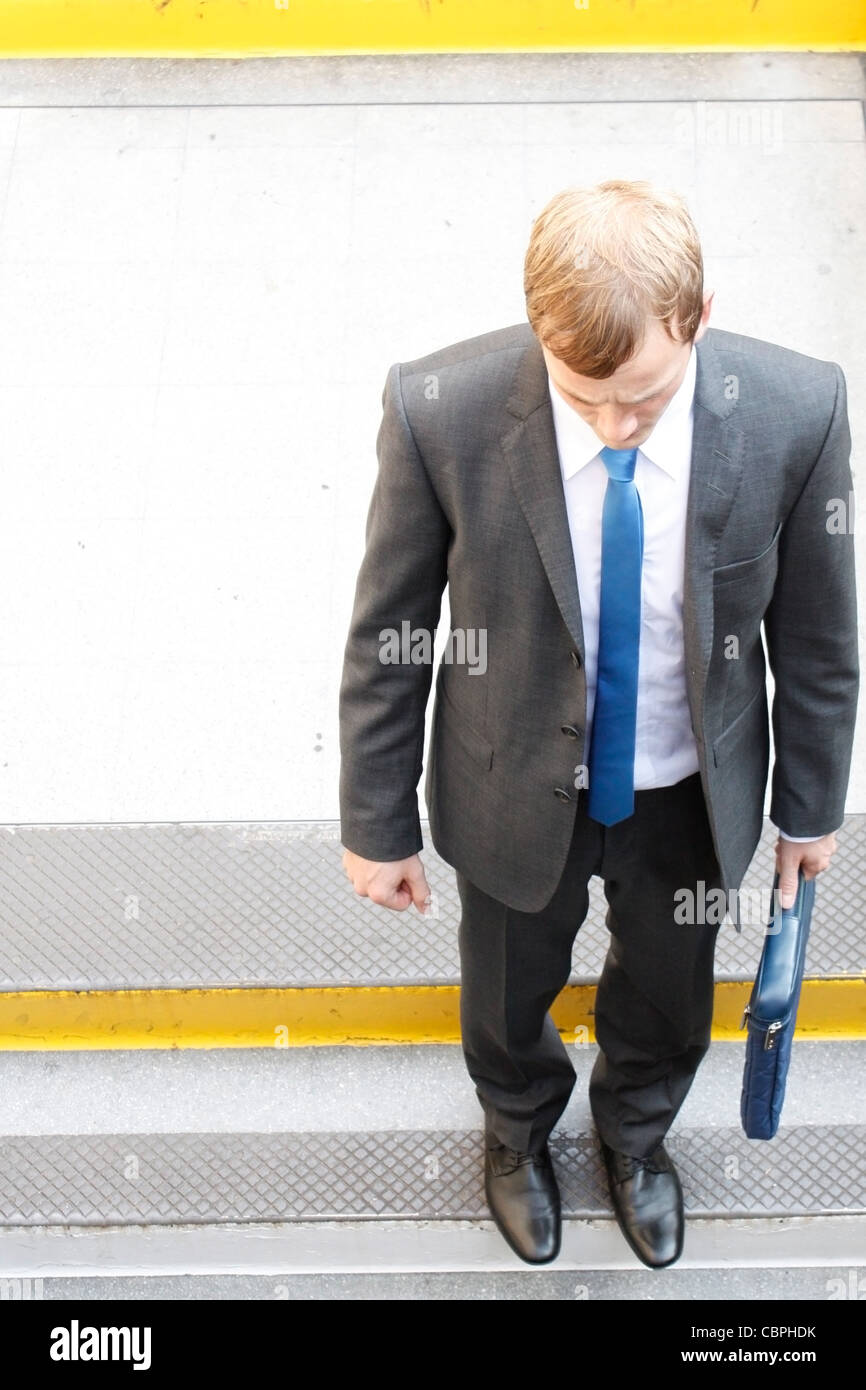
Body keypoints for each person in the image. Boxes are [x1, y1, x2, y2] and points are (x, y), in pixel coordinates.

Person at [338, 180, 858, 1268]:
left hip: (687, 792)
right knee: (503, 987)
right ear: (537, 332)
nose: (616, 424)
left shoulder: (792, 412)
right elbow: (392, 629)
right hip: (506, 778)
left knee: (671, 992)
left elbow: (816, 639)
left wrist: (808, 811)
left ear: (699, 315)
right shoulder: (443, 410)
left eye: (645, 397)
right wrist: (375, 819)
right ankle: (516, 1129)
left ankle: (634, 1136)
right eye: (585, 398)